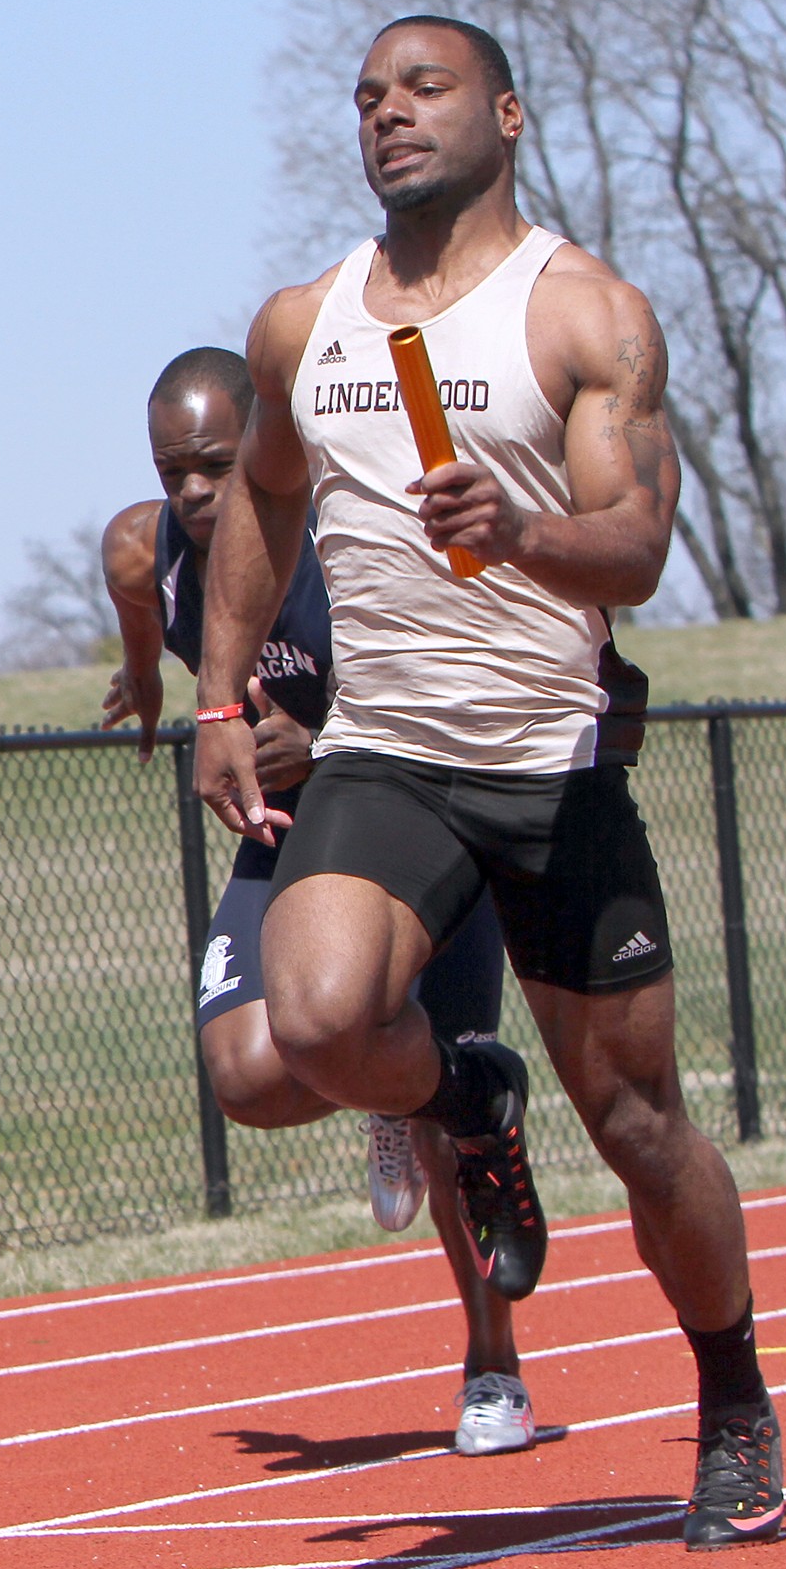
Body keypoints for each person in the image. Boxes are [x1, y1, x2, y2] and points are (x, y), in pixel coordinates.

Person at [193, 16, 784, 1551]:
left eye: (425, 88)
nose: (389, 113)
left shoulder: (583, 314)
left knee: (643, 1128)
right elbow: (261, 495)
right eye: (369, 97)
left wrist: (519, 530)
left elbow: (638, 551)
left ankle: (732, 1400)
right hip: (390, 754)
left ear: (506, 115)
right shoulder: (302, 324)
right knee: (313, 1020)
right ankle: (467, 1096)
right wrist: (214, 694)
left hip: (550, 766)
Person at [100, 345, 538, 1457]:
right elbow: (133, 589)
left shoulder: (344, 536)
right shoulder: (146, 546)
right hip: (280, 833)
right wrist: (146, 677)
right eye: (172, 470)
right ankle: (388, 1081)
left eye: (213, 463)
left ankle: (493, 1369)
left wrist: (331, 739)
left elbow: (449, 679)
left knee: (452, 1145)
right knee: (245, 1074)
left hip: (411, 830)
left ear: (264, 446)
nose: (194, 492)